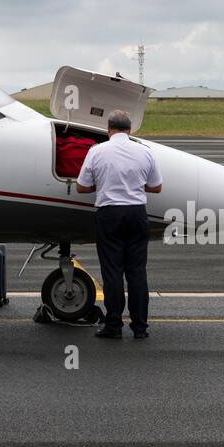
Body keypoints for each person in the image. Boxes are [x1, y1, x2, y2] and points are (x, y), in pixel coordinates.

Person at [74, 109, 162, 339]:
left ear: (108, 129)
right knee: (137, 272)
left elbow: (81, 187)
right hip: (136, 214)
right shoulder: (145, 152)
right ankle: (140, 327)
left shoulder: (97, 151)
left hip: (109, 214)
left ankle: (113, 325)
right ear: (130, 129)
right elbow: (156, 186)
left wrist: (103, 185)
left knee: (112, 272)